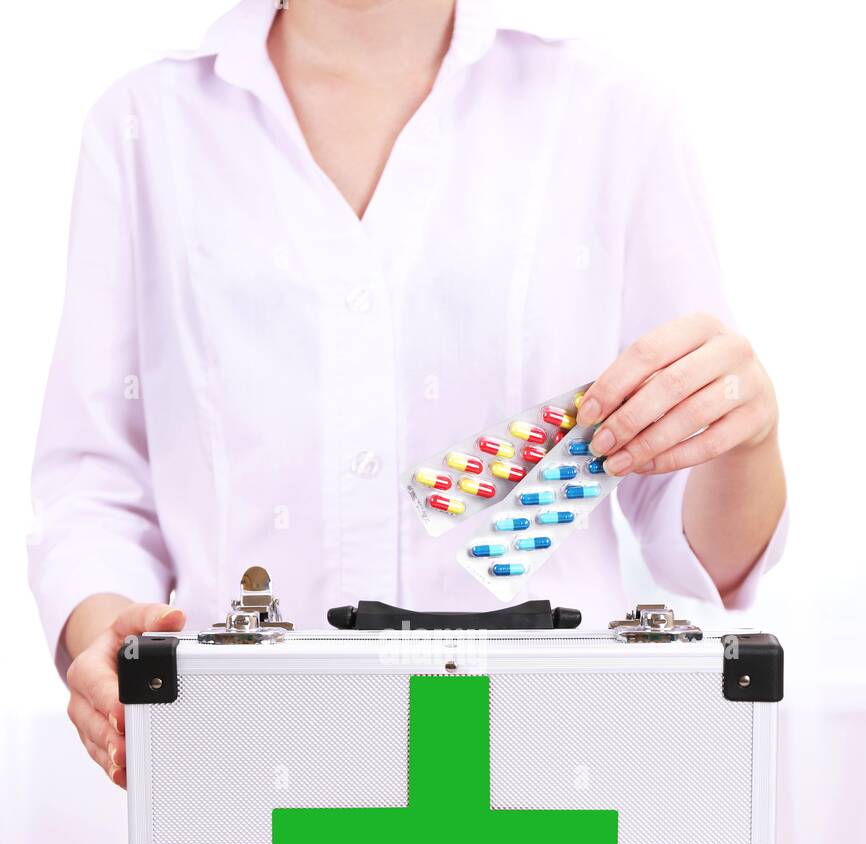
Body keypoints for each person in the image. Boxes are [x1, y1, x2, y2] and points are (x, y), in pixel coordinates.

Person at [29, 0, 786, 789]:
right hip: (245, 774)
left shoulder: (613, 116)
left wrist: (747, 440)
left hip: (541, 777)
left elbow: (699, 547)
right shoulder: (146, 127)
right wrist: (102, 625)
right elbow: (96, 478)